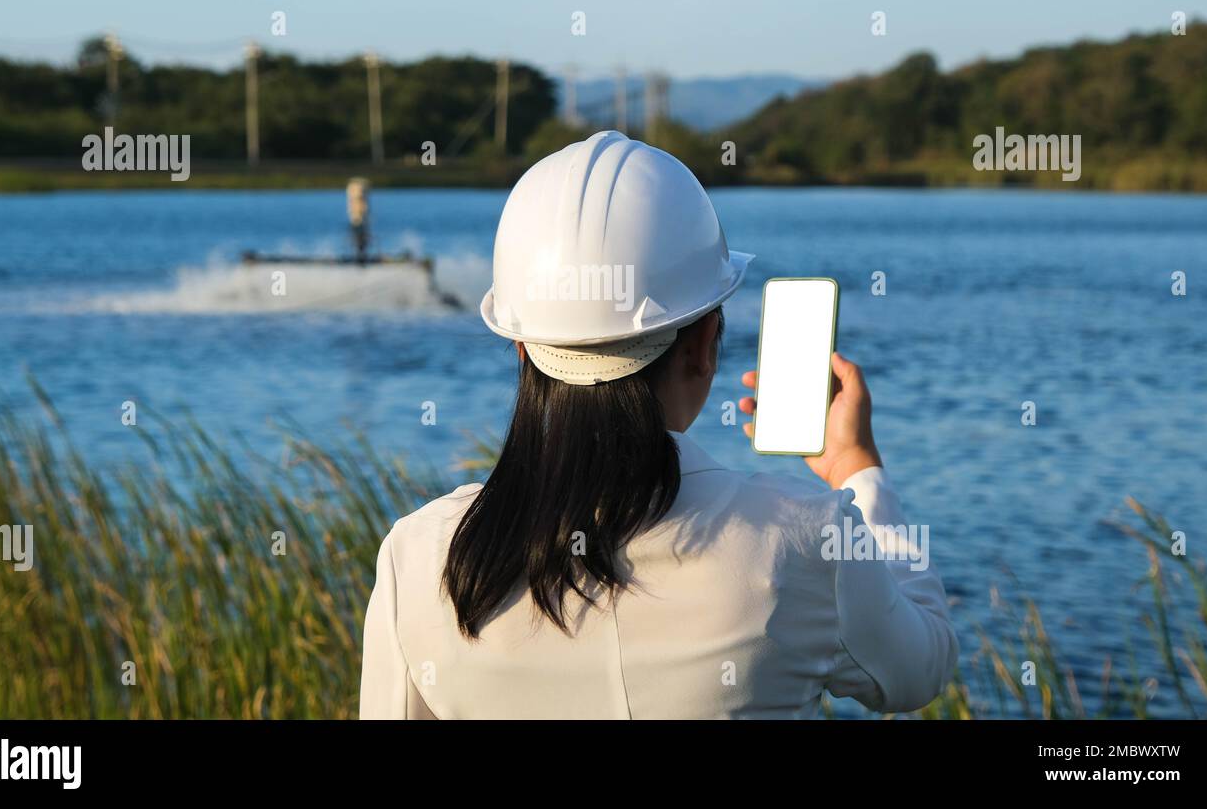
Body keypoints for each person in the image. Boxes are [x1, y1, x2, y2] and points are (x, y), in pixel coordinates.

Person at [359, 131, 957, 718]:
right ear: (703, 343)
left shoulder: (418, 557)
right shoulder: (806, 539)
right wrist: (857, 469)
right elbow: (919, 667)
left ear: (520, 347)